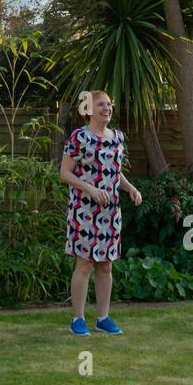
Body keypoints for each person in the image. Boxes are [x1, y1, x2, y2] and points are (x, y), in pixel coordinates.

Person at [59, 90, 142, 335]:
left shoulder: (117, 138)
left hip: (109, 212)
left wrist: (130, 189)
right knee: (84, 265)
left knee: (105, 265)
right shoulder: (79, 138)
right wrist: (91, 190)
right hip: (84, 210)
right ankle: (78, 320)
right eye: (101, 105)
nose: (107, 108)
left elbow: (114, 173)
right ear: (89, 109)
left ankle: (103, 318)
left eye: (109, 104)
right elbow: (64, 173)